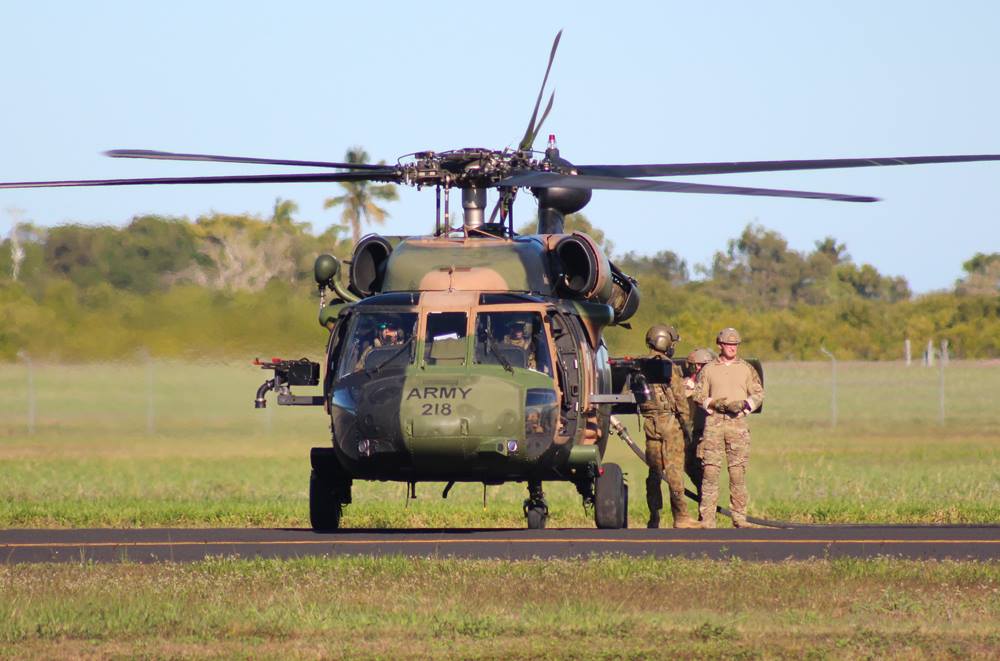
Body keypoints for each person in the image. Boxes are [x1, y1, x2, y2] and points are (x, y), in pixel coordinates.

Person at [693, 328, 764, 528]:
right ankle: (707, 519)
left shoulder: (746, 369)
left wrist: (745, 406)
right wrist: (715, 404)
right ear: (720, 345)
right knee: (710, 472)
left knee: (737, 473)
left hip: (737, 425)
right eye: (728, 344)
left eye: (735, 345)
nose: (732, 348)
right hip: (714, 424)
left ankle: (739, 517)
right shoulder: (709, 369)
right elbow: (698, 395)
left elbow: (758, 393)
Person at [639, 324, 697, 529]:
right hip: (670, 424)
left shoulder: (641, 365)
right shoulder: (670, 367)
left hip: (650, 423)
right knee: (674, 471)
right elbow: (680, 399)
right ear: (665, 342)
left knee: (654, 472)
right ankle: (681, 516)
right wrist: (687, 425)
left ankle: (653, 516)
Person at [683, 347, 715, 511]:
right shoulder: (689, 381)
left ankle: (707, 512)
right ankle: (705, 507)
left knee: (707, 472)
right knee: (690, 466)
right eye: (694, 365)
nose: (697, 369)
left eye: (701, 365)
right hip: (691, 433)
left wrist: (692, 389)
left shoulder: (714, 382)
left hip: (707, 433)